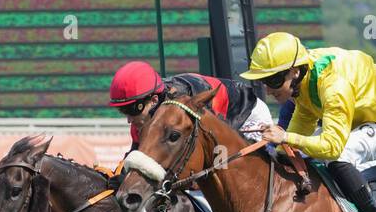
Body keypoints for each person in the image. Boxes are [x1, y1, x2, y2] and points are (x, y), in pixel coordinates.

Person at [241, 31, 376, 212]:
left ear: (295, 71)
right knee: (286, 152)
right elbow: (304, 118)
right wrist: (278, 144)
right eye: (263, 81)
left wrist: (286, 136)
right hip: (356, 117)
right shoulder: (305, 78)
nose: (268, 89)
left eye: (273, 80)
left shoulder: (333, 86)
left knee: (338, 156)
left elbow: (332, 147)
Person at [107, 60, 272, 150]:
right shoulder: (141, 118)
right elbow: (137, 154)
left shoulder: (185, 99)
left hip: (244, 115)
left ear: (154, 100)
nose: (129, 119)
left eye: (131, 110)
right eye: (123, 111)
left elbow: (210, 145)